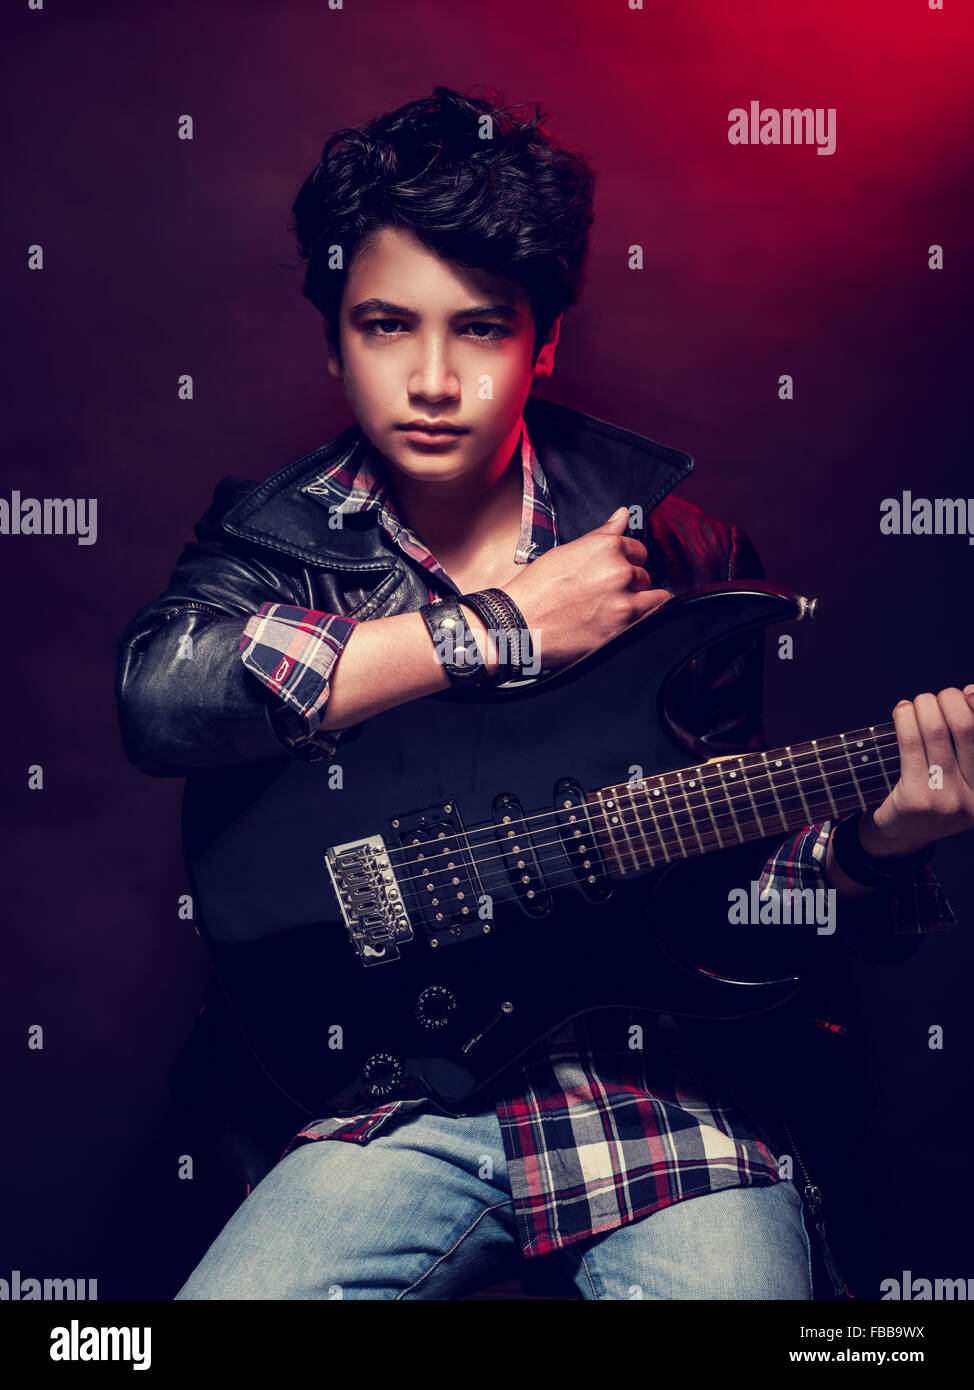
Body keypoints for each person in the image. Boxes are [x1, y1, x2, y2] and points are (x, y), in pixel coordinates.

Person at [115, 86, 969, 1301]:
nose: (429, 378)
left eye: (480, 328)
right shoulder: (274, 536)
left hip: (661, 1099)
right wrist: (499, 628)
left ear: (543, 340)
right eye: (382, 326)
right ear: (331, 340)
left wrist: (878, 847)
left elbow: (723, 892)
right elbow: (162, 695)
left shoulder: (683, 553)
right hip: (389, 1098)